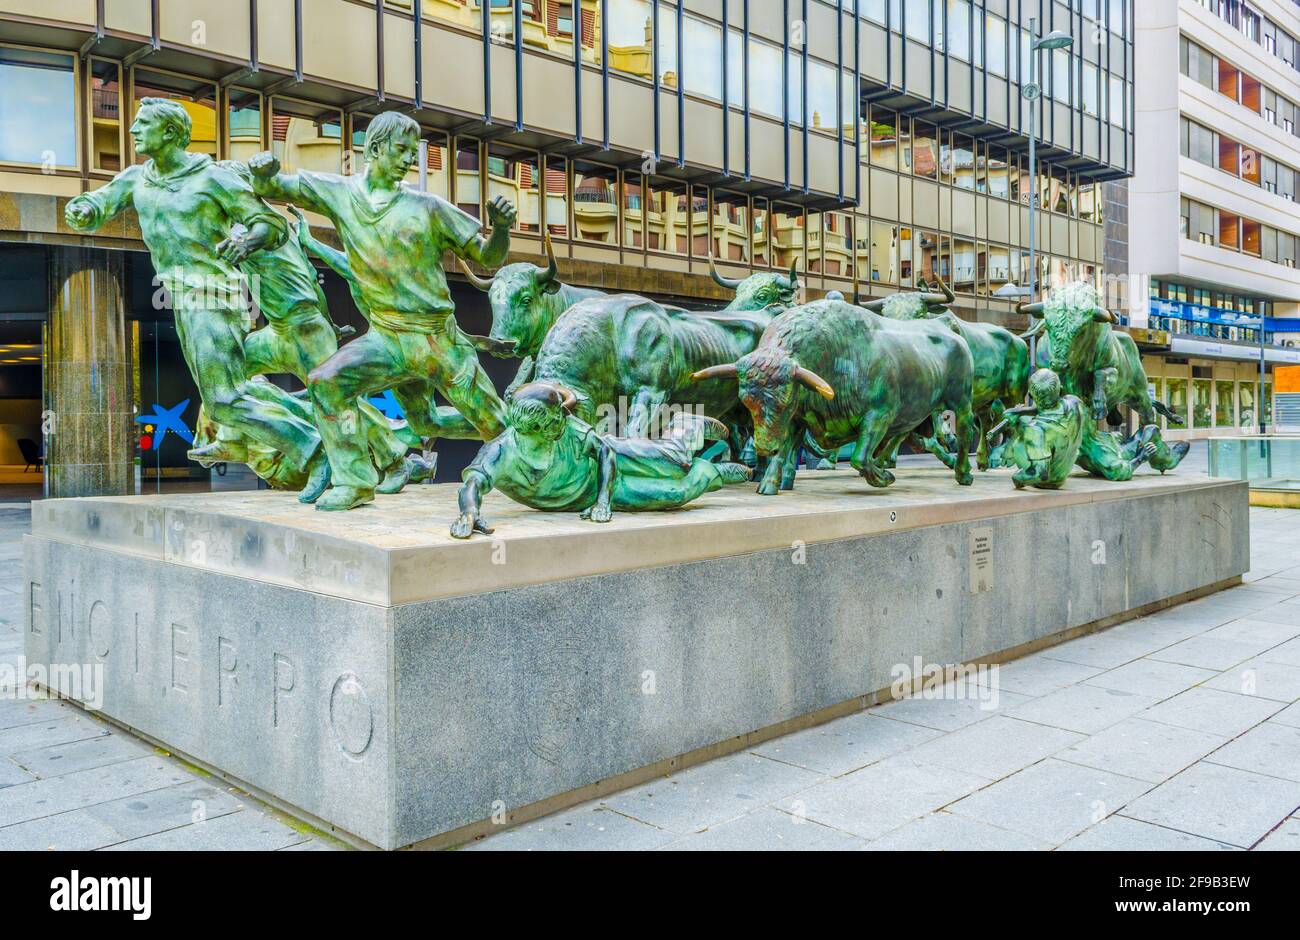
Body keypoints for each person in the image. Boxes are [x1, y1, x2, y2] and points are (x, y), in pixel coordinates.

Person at [246, 111, 514, 511]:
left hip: (437, 340)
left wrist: (502, 229)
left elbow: (487, 255)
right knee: (327, 382)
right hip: (385, 338)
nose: (409, 159)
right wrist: (264, 173)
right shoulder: (338, 193)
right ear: (374, 149)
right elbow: (276, 186)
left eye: (413, 151)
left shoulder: (429, 207)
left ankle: (533, 454)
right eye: (401, 149)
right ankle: (355, 481)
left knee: (493, 425)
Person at [64, 97, 329, 500]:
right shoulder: (137, 177)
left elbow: (269, 223)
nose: (133, 131)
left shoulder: (212, 178)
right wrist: (83, 208)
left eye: (142, 124)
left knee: (224, 399)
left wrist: (247, 238)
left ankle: (314, 452)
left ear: (170, 132)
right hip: (183, 301)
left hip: (215, 297)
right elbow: (100, 204)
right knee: (223, 396)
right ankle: (304, 444)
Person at [451, 383, 751, 539]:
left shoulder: (567, 427)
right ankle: (713, 472)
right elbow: (472, 484)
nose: (565, 415)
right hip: (593, 492)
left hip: (609, 461)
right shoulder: (501, 451)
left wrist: (604, 501)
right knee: (677, 494)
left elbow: (605, 451)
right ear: (538, 427)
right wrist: (470, 512)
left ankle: (688, 426)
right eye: (558, 414)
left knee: (674, 464)